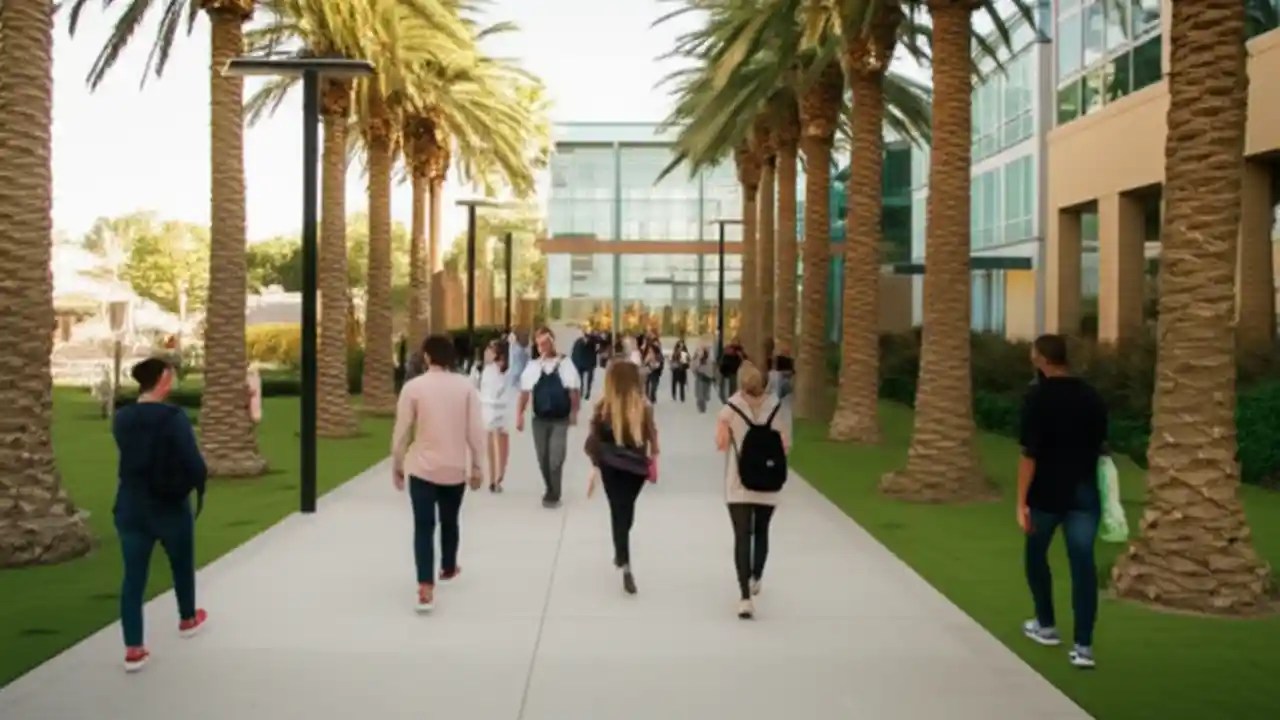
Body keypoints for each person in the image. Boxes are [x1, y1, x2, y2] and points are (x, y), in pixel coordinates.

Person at [112, 357, 209, 673]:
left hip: (131, 506)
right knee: (181, 564)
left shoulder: (122, 418)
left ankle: (134, 649)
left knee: (132, 578)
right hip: (169, 507)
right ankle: (188, 617)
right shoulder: (173, 418)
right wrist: (195, 484)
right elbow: (194, 463)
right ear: (164, 379)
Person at [1017, 334, 1108, 670]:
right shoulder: (1092, 397)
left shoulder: (1037, 398)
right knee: (1083, 565)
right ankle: (1083, 647)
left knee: (1035, 555)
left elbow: (1029, 454)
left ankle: (1046, 624)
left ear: (1041, 358)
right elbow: (1100, 443)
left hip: (1046, 494)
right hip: (1084, 491)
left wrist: (1020, 502)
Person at [392, 335, 487, 613]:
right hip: (454, 468)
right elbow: (475, 431)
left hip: (421, 468)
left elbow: (401, 430)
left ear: (427, 357)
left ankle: (425, 586)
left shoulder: (413, 388)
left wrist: (397, 463)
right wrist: (478, 465)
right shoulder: (466, 387)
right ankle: (447, 566)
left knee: (423, 526)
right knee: (450, 520)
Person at [715, 361, 789, 620]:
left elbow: (721, 444)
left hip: (739, 483)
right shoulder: (775, 406)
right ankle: (757, 575)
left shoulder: (730, 408)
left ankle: (744, 597)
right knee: (762, 531)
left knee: (742, 536)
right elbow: (785, 444)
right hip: (768, 483)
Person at [583, 361, 659, 595]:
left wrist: (595, 466)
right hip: (634, 469)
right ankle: (622, 555)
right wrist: (654, 456)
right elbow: (651, 436)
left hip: (610, 466)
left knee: (617, 510)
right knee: (626, 509)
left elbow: (594, 439)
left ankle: (623, 558)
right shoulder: (643, 406)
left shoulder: (603, 407)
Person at [516, 326, 581, 508]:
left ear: (552, 342)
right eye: (538, 345)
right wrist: (519, 415)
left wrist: (574, 413)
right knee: (542, 456)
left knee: (556, 457)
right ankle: (549, 487)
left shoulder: (566, 364)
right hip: (540, 420)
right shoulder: (533, 367)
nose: (542, 347)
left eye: (545, 343)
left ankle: (554, 493)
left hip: (560, 419)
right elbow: (524, 393)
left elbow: (573, 390)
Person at [471, 340, 512, 492]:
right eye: (487, 349)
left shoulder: (503, 369)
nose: (487, 352)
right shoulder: (479, 368)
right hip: (486, 408)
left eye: (492, 350)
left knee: (501, 441)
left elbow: (508, 385)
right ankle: (493, 477)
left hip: (501, 408)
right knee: (490, 443)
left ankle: (499, 475)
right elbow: (473, 386)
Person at [571, 330, 599, 400]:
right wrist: (574, 362)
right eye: (586, 337)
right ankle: (581, 391)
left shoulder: (592, 342)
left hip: (589, 363)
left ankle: (588, 392)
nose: (587, 339)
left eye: (588, 338)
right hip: (580, 363)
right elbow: (574, 352)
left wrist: (594, 362)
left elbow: (595, 352)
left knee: (589, 378)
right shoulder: (578, 342)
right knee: (580, 378)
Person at [692, 344, 715, 413]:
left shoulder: (709, 359)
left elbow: (711, 368)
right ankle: (701, 408)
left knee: (704, 394)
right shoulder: (699, 358)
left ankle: (702, 407)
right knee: (701, 394)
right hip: (701, 377)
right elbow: (693, 367)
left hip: (706, 378)